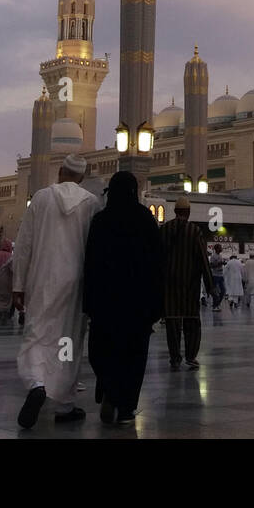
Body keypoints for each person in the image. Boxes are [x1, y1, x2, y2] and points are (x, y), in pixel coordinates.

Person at [13, 153, 99, 428]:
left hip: (42, 278)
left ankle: (36, 383)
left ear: (60, 171)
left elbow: (24, 244)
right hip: (75, 282)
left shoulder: (41, 197)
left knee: (37, 333)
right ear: (82, 177)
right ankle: (64, 403)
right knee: (68, 339)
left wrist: (18, 285)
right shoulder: (91, 203)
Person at [83, 171, 164, 424]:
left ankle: (108, 388)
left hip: (105, 304)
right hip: (137, 307)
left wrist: (89, 302)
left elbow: (90, 264)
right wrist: (156, 307)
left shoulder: (100, 221)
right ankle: (126, 407)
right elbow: (157, 265)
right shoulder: (145, 220)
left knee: (103, 351)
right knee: (133, 357)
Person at [159, 195, 214, 369]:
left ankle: (175, 359)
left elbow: (156, 258)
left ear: (175, 212)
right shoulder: (194, 231)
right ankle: (191, 356)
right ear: (188, 212)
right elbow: (203, 259)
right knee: (192, 321)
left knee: (172, 323)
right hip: (190, 285)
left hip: (169, 285)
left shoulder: (165, 229)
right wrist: (210, 285)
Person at [208, 243, 226, 310]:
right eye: (220, 247)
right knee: (215, 291)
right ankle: (215, 306)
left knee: (223, 291)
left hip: (221, 275)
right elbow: (211, 266)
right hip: (215, 275)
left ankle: (217, 304)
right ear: (217, 249)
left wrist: (222, 263)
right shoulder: (213, 256)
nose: (221, 249)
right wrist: (219, 264)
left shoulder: (220, 256)